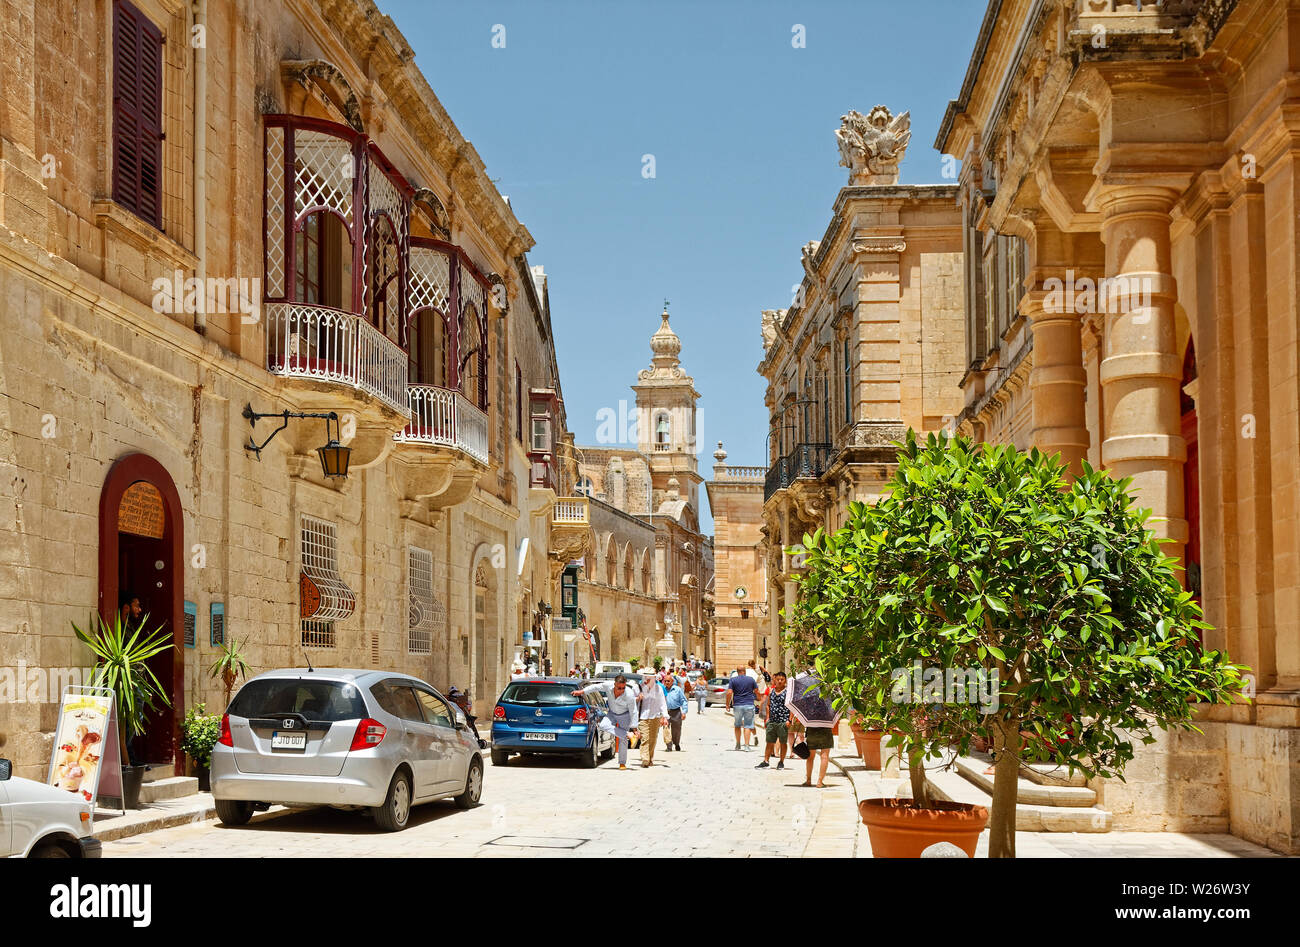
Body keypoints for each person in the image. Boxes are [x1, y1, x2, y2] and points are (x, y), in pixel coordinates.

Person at [578, 675, 637, 769]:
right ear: (614, 685)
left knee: (622, 740)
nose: (621, 690)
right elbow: (595, 687)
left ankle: (622, 763)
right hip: (612, 713)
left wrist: (634, 728)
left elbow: (633, 711)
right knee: (602, 725)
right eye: (619, 688)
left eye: (623, 688)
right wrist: (582, 691)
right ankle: (627, 734)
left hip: (624, 715)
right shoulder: (608, 686)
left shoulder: (629, 694)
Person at [754, 671, 789, 770]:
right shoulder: (771, 691)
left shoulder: (787, 692)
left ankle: (781, 761)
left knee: (783, 742)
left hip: (783, 721)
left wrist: (789, 720)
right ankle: (766, 761)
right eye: (778, 679)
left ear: (785, 680)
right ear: (775, 680)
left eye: (782, 679)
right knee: (769, 742)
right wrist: (768, 717)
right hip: (772, 721)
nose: (780, 681)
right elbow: (768, 705)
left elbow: (790, 707)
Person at [636, 670, 670, 767]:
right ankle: (645, 759)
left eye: (650, 677)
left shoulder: (659, 689)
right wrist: (637, 698)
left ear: (654, 678)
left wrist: (665, 716)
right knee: (645, 738)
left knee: (653, 739)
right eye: (646, 677)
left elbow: (662, 703)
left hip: (655, 717)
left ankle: (650, 758)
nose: (648, 679)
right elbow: (630, 700)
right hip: (643, 717)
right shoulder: (638, 688)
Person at [725, 668, 758, 751]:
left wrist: (727, 704)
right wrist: (756, 697)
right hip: (749, 704)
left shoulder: (733, 680)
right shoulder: (751, 679)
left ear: (737, 672)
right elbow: (756, 690)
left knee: (737, 725)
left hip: (737, 705)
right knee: (747, 725)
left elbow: (729, 692)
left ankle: (738, 744)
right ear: (745, 671)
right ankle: (746, 746)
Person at [662, 674, 686, 752]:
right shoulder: (662, 689)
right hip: (666, 713)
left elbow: (683, 701)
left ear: (672, 681)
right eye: (665, 681)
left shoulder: (677, 690)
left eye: (668, 681)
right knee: (666, 729)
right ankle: (669, 746)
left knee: (676, 730)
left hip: (676, 712)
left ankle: (676, 743)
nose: (667, 682)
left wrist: (684, 712)